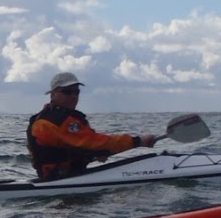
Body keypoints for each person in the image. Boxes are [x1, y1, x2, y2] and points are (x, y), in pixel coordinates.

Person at [26, 72, 160, 181]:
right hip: (60, 180)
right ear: (53, 94)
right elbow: (95, 142)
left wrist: (95, 154)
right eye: (67, 92)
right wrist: (137, 141)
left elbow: (81, 147)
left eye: (76, 92)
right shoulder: (54, 121)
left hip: (67, 176)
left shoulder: (60, 118)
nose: (73, 96)